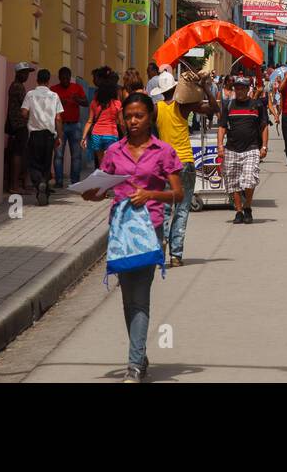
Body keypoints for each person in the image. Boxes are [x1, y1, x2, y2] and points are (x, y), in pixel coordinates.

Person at [84, 92, 185, 382]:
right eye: (128, 116)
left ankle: (134, 366)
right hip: (121, 232)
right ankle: (139, 353)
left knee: (140, 298)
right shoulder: (115, 151)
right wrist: (90, 193)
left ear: (150, 117)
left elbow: (178, 193)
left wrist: (151, 193)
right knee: (128, 299)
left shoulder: (163, 151)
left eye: (139, 115)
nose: (133, 121)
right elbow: (100, 187)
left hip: (150, 230)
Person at [156, 70, 219, 267]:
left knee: (165, 210)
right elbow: (214, 108)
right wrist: (206, 88)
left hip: (164, 164)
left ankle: (161, 247)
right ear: (175, 88)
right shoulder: (184, 107)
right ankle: (176, 256)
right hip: (185, 161)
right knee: (182, 209)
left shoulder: (155, 109)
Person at [218, 76, 269, 223]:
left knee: (249, 180)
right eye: (237, 88)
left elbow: (264, 126)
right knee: (233, 182)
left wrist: (264, 146)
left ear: (248, 90)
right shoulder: (228, 105)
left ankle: (248, 207)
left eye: (242, 88)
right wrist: (220, 146)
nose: (239, 91)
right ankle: (239, 211)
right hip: (232, 149)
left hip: (251, 149)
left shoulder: (256, 105)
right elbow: (222, 127)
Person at [20, 68, 64, 205]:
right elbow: (58, 118)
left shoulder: (30, 95)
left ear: (37, 80)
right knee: (46, 164)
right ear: (48, 81)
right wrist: (59, 137)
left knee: (33, 163)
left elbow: (24, 113)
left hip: (35, 134)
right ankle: (44, 187)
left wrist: (32, 116)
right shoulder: (54, 96)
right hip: (49, 135)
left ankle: (39, 183)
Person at [50, 66, 89, 187]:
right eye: (63, 78)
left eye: (67, 78)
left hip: (75, 125)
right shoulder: (54, 89)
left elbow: (86, 102)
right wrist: (60, 102)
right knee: (58, 155)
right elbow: (49, 106)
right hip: (60, 125)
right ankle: (59, 181)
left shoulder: (77, 88)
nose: (65, 81)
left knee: (76, 155)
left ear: (70, 77)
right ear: (60, 78)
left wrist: (77, 99)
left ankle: (75, 181)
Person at [82, 69, 123, 169]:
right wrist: (126, 136)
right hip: (111, 134)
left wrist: (83, 138)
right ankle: (108, 182)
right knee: (110, 162)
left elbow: (90, 121)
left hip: (96, 135)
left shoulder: (94, 103)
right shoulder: (117, 103)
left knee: (101, 164)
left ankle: (101, 181)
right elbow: (121, 122)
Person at [4, 63, 34, 194]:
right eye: (25, 73)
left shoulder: (17, 86)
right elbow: (26, 106)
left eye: (28, 73)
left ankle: (19, 183)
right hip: (19, 125)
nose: (26, 76)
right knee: (18, 154)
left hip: (17, 124)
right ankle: (15, 186)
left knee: (21, 153)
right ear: (18, 73)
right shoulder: (17, 87)